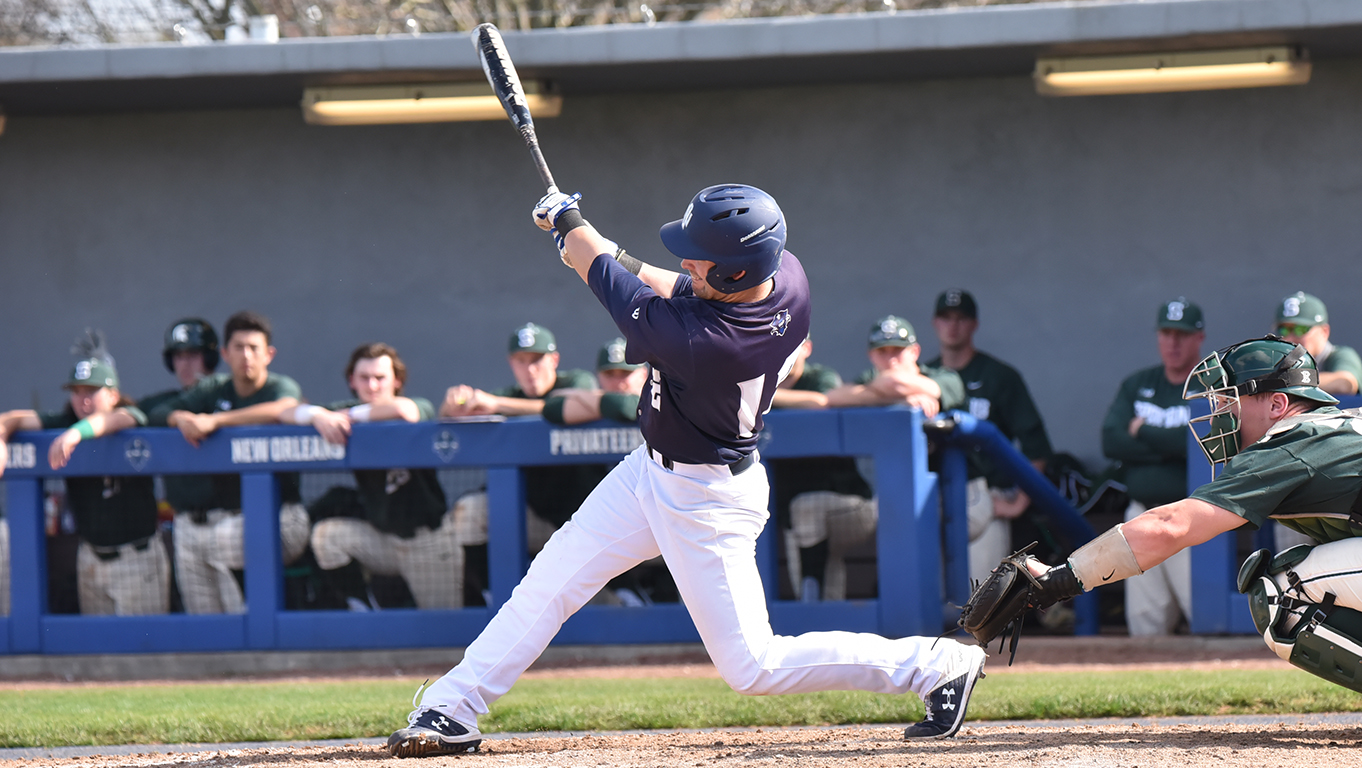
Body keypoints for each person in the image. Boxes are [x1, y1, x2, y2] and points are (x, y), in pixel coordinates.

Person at [386, 183, 987, 758]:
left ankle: (938, 665)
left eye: (703, 260)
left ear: (736, 273)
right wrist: (592, 240)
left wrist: (573, 232)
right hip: (649, 472)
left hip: (705, 497)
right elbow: (677, 285)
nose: (690, 264)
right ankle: (452, 708)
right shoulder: (785, 277)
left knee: (755, 667)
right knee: (550, 581)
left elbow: (613, 284)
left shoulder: (710, 347)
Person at [1017, 335, 1362, 697]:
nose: (1223, 413)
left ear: (1278, 403)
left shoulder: (1288, 443)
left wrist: (1063, 578)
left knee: (1281, 589)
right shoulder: (1334, 426)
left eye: (1231, 400)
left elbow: (1173, 526)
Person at [771, 327, 963, 601]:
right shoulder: (867, 381)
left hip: (962, 493)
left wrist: (887, 391)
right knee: (812, 561)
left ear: (915, 351)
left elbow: (893, 383)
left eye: (897, 350)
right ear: (871, 355)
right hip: (890, 499)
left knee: (969, 591)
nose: (891, 360)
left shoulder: (944, 376)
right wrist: (888, 395)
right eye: (882, 352)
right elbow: (835, 398)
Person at [147, 311, 308, 614]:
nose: (246, 355)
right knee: (206, 620)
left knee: (230, 543)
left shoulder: (279, 386)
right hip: (226, 522)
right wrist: (179, 417)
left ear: (269, 354)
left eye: (254, 348)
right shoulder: (214, 388)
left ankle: (259, 616)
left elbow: (284, 408)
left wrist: (216, 420)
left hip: (281, 514)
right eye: (238, 347)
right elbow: (159, 411)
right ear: (225, 353)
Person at [0, 331, 169, 615]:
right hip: (90, 557)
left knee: (142, 652)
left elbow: (112, 420)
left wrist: (73, 435)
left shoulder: (130, 413)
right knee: (98, 654)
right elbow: (14, 418)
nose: (83, 400)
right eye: (77, 392)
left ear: (113, 394)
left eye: (92, 391)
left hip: (137, 558)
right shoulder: (67, 419)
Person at [282, 343, 458, 610]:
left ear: (397, 380)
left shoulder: (414, 405)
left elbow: (406, 411)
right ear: (352, 380)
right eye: (364, 378)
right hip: (382, 541)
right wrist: (317, 415)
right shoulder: (344, 410)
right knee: (326, 536)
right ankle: (362, 606)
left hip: (428, 541)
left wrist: (349, 415)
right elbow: (284, 412)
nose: (372, 386)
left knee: (444, 631)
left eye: (380, 378)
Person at [440, 323, 600, 602]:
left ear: (554, 360)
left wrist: (497, 403)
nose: (530, 369)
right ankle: (490, 595)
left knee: (605, 606)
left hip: (587, 525)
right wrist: (450, 408)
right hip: (534, 522)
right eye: (521, 361)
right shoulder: (507, 396)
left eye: (537, 360)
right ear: (511, 363)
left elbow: (564, 407)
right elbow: (449, 420)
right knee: (471, 511)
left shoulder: (576, 382)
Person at [925, 289, 1053, 586]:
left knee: (981, 597)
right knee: (933, 596)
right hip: (935, 497)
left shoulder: (1000, 376)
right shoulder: (923, 378)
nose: (953, 325)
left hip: (988, 495)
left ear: (974, 324)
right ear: (935, 323)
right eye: (946, 318)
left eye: (961, 318)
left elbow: (1037, 446)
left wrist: (1020, 501)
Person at [1100, 298, 1204, 635]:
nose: (1173, 342)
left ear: (1199, 338)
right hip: (1141, 517)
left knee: (1206, 621)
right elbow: (1111, 441)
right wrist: (1172, 447)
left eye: (1182, 334)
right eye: (1167, 333)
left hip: (1194, 520)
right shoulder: (1138, 383)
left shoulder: (1212, 385)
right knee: (1145, 626)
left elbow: (1201, 445)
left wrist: (1143, 431)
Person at [541, 337, 648, 426]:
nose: (617, 382)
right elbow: (552, 410)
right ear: (599, 376)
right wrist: (607, 407)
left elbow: (625, 407)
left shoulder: (656, 398)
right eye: (609, 374)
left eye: (625, 373)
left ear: (643, 374)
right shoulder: (597, 403)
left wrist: (579, 395)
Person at [1274, 292, 1361, 396]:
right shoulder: (1278, 362)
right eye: (1284, 330)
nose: (1290, 338)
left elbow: (1345, 383)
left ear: (1324, 332)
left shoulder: (1339, 355)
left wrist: (1287, 380)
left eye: (1300, 329)